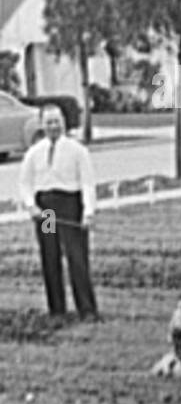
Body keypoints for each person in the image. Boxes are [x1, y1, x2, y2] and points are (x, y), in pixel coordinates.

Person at [16, 108, 100, 322]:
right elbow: (25, 183)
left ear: (63, 122)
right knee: (50, 255)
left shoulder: (78, 150)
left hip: (70, 206)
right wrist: (31, 206)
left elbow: (88, 183)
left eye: (57, 121)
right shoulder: (34, 153)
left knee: (76, 257)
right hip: (47, 210)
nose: (53, 126)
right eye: (49, 122)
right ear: (42, 125)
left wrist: (88, 212)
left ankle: (87, 310)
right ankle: (57, 310)